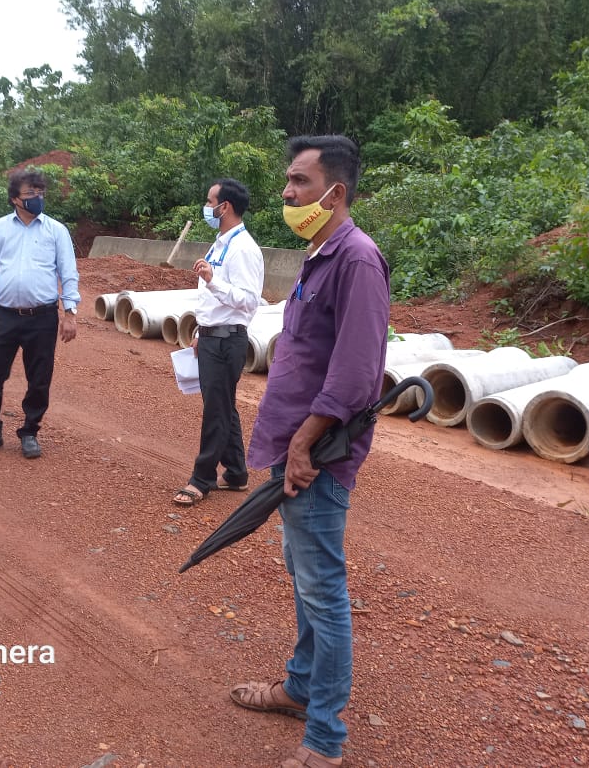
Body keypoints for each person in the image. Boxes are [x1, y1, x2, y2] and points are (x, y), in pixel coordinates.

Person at [230, 136, 390, 768]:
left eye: (299, 181)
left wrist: (303, 442)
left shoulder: (357, 260)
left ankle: (325, 739)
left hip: (316, 454)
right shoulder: (320, 254)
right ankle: (300, 688)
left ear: (335, 191)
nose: (287, 192)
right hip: (295, 445)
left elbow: (355, 373)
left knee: (322, 589)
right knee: (303, 575)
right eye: (289, 180)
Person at [0, 168, 80, 459]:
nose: (37, 197)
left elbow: (68, 273)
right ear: (15, 198)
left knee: (39, 379)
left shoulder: (56, 230)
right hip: (5, 316)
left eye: (40, 192)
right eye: (30, 193)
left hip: (42, 318)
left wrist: (70, 314)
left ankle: (30, 432)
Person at [172, 178, 265, 507]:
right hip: (213, 338)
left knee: (216, 410)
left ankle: (202, 478)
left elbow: (249, 301)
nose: (207, 207)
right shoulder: (221, 243)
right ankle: (236, 472)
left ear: (224, 207)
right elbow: (213, 298)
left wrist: (213, 281)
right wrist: (202, 330)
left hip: (228, 341)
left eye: (210, 202)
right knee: (223, 406)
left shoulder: (244, 249)